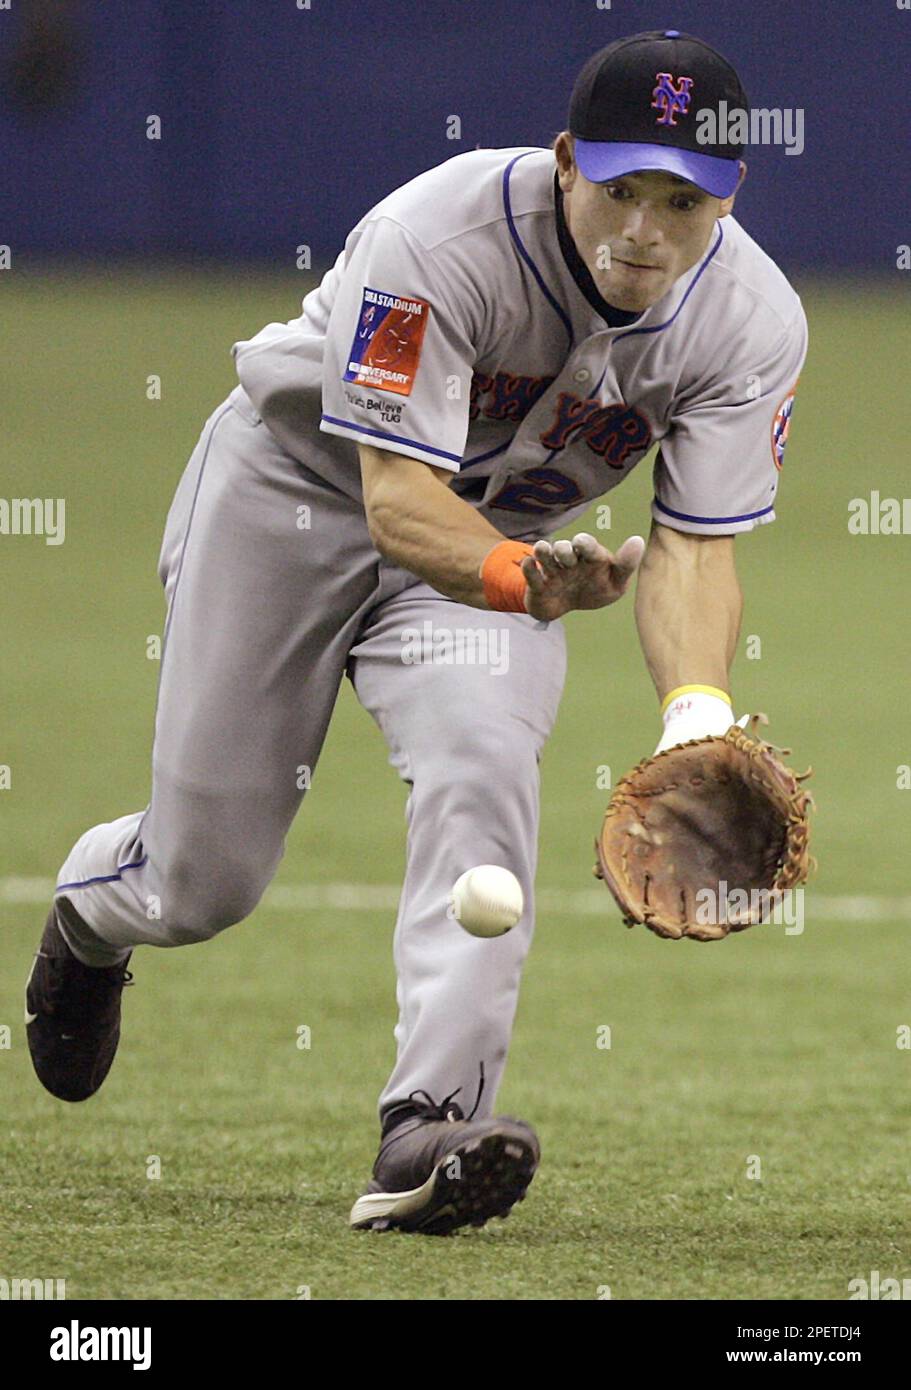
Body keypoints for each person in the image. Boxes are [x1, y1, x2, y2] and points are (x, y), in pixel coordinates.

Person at [25, 30, 807, 1235]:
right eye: (619, 189)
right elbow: (395, 504)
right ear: (562, 163)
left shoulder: (749, 323)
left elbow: (694, 547)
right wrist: (514, 575)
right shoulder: (434, 239)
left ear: (730, 194)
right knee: (203, 880)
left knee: (482, 765)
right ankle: (90, 911)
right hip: (292, 498)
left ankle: (427, 1126)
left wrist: (692, 717)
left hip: (494, 560)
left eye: (683, 199)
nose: (643, 230)